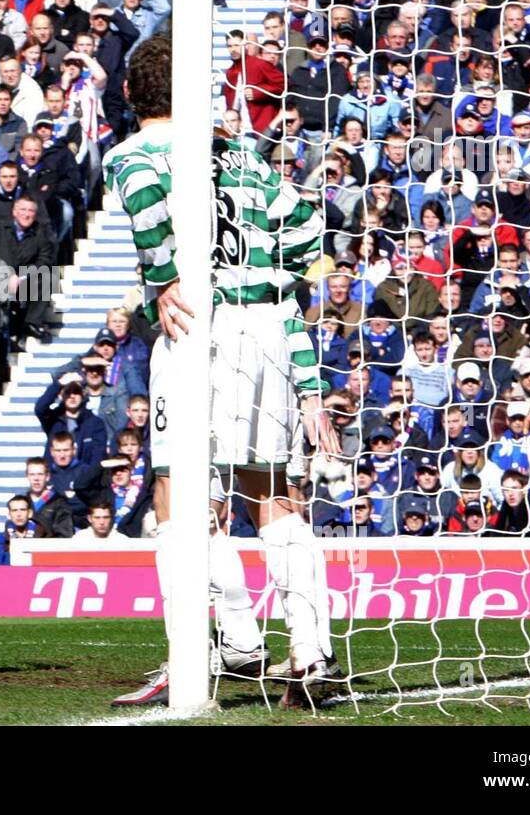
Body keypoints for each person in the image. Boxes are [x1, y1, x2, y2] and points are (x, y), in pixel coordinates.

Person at [107, 37, 341, 710]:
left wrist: (163, 278)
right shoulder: (242, 155)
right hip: (264, 322)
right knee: (273, 493)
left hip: (197, 324)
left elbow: (150, 210)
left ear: (130, 95)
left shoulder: (134, 154)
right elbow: (303, 233)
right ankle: (310, 648)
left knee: (176, 497)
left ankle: (225, 643)